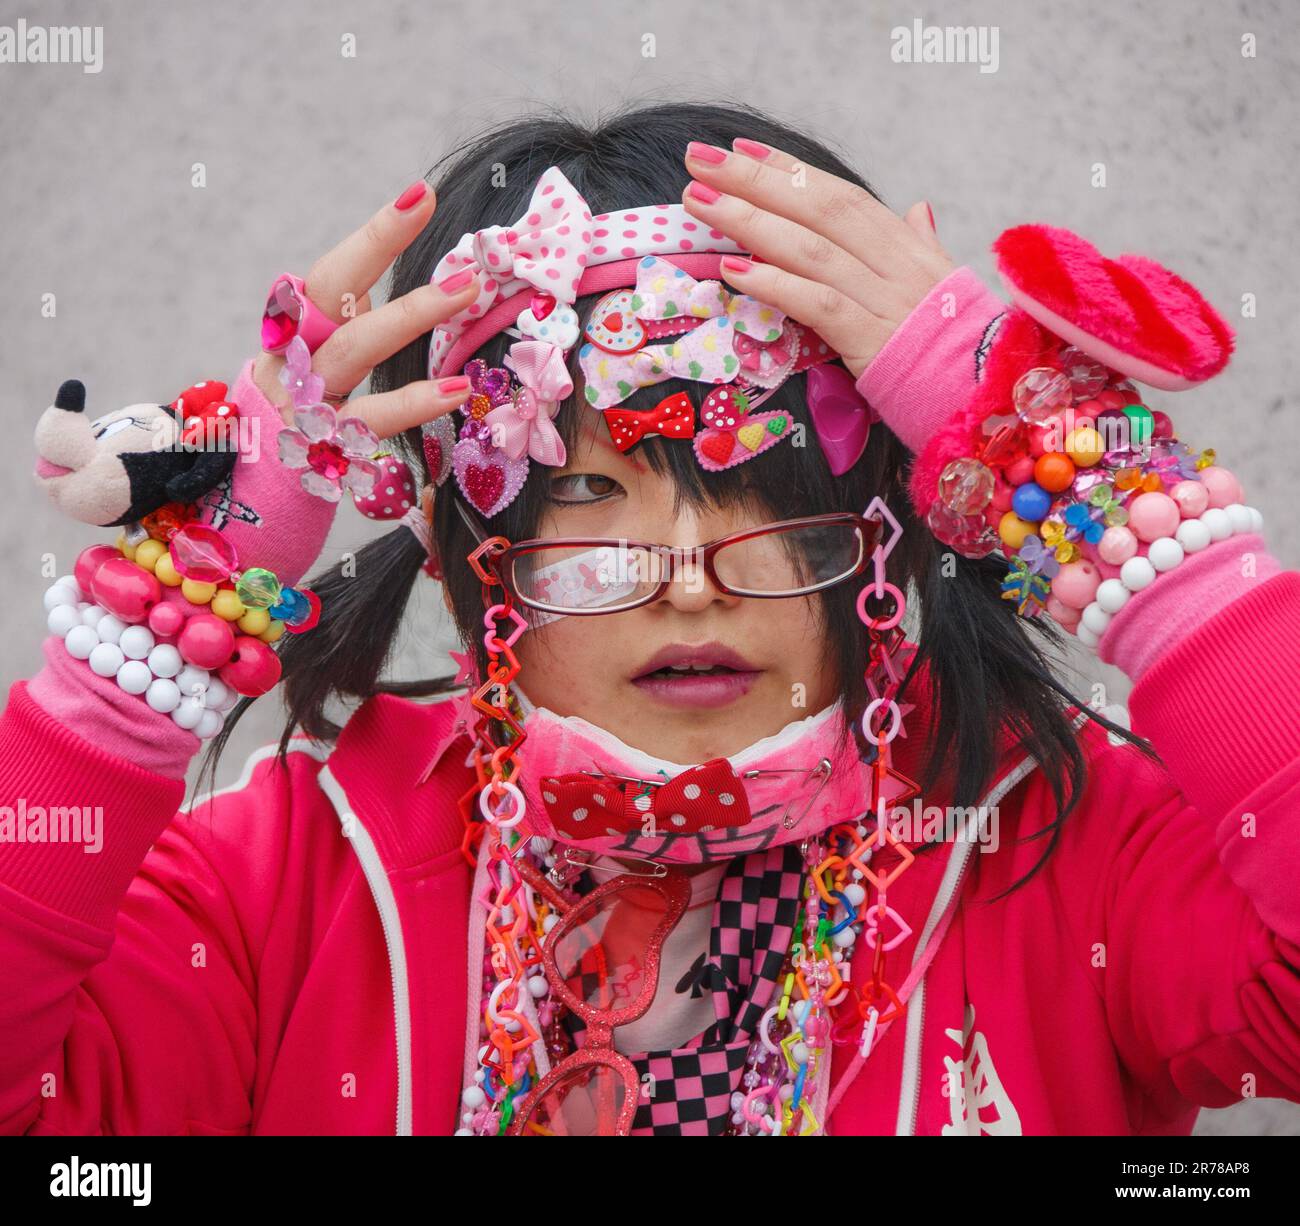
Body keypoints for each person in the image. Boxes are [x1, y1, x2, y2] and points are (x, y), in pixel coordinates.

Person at [3, 101, 1298, 1137]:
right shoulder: (286, 881)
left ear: (878, 542)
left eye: (764, 495)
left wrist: (1089, 477)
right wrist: (158, 633)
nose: (691, 575)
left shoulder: (1046, 846)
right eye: (585, 490)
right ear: (474, 555)